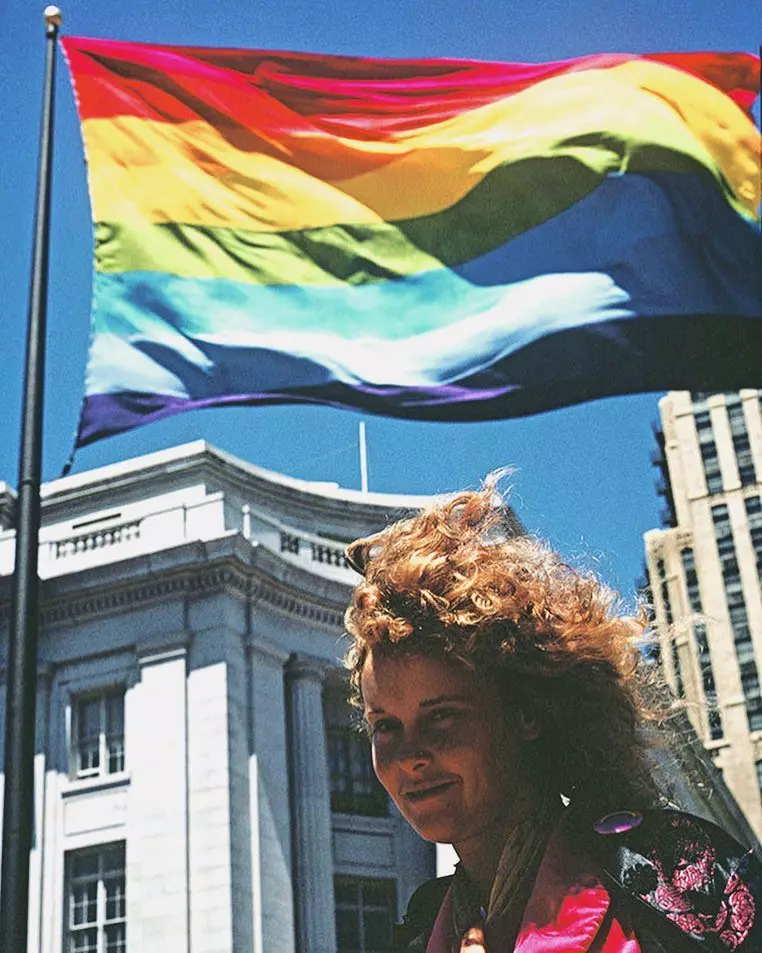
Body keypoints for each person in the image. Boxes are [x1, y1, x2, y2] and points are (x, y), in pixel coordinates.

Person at [343, 481, 762, 953]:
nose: (411, 756)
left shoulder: (671, 875)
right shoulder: (418, 933)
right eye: (386, 726)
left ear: (526, 711)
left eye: (441, 717)